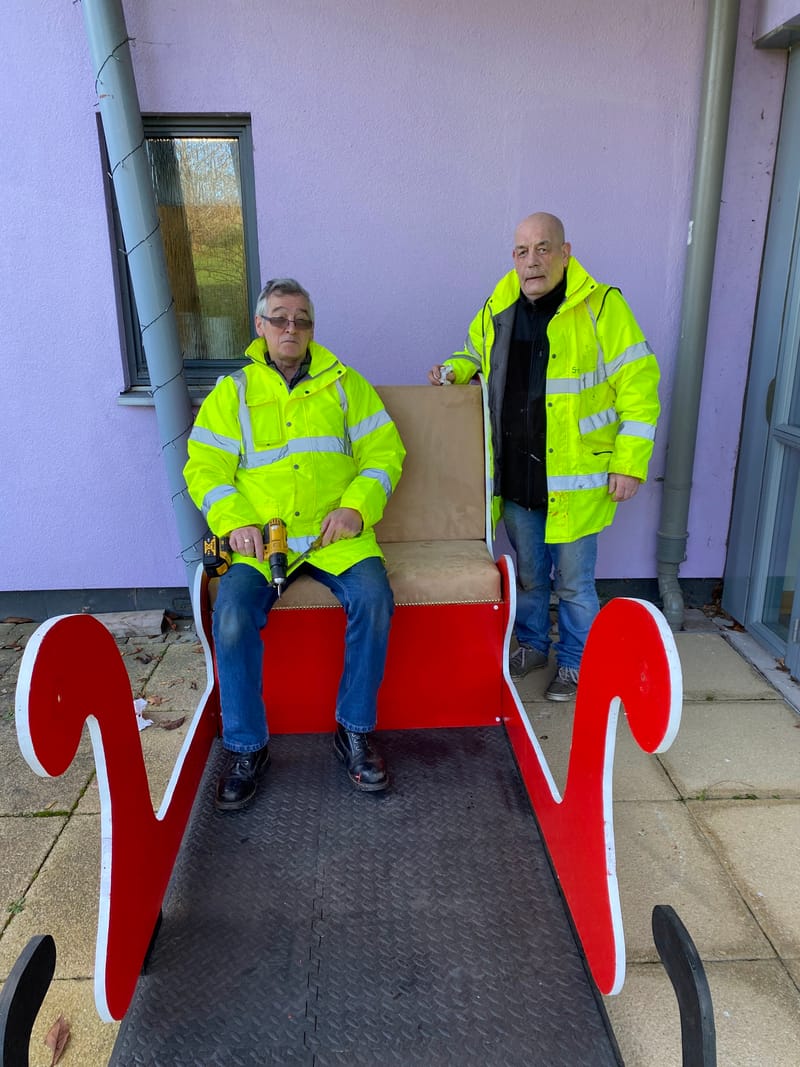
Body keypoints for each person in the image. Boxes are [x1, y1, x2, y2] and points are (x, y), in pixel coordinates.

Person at [185, 278, 405, 809]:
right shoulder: (232, 392)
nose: (291, 328)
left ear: (311, 329)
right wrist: (234, 521)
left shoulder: (346, 384)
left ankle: (353, 731)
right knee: (232, 613)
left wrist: (355, 509)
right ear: (259, 327)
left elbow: (385, 453)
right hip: (262, 543)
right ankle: (246, 747)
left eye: (301, 319)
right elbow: (204, 467)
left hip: (335, 538)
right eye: (280, 318)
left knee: (375, 599)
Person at [429, 213, 659, 701]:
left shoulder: (601, 307)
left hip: (574, 477)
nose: (531, 261)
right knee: (530, 575)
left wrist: (629, 461)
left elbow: (639, 384)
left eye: (542, 249)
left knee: (574, 583)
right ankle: (533, 646)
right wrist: (453, 369)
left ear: (565, 252)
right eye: (521, 251)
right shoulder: (500, 303)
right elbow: (475, 350)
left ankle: (577, 662)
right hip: (514, 473)